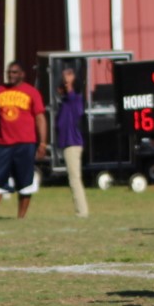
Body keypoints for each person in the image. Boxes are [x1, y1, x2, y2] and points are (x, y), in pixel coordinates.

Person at [0, 60, 47, 220]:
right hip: (4, 144)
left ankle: (21, 217)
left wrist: (43, 143)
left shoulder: (31, 92)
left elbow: (40, 118)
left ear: (22, 74)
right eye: (9, 72)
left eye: (15, 72)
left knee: (25, 182)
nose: (11, 75)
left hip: (25, 144)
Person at [54, 64, 90, 218]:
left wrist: (69, 83)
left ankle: (82, 211)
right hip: (67, 142)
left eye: (68, 81)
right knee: (73, 178)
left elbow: (71, 90)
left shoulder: (76, 99)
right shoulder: (65, 102)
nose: (64, 83)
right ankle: (81, 210)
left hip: (73, 143)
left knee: (74, 178)